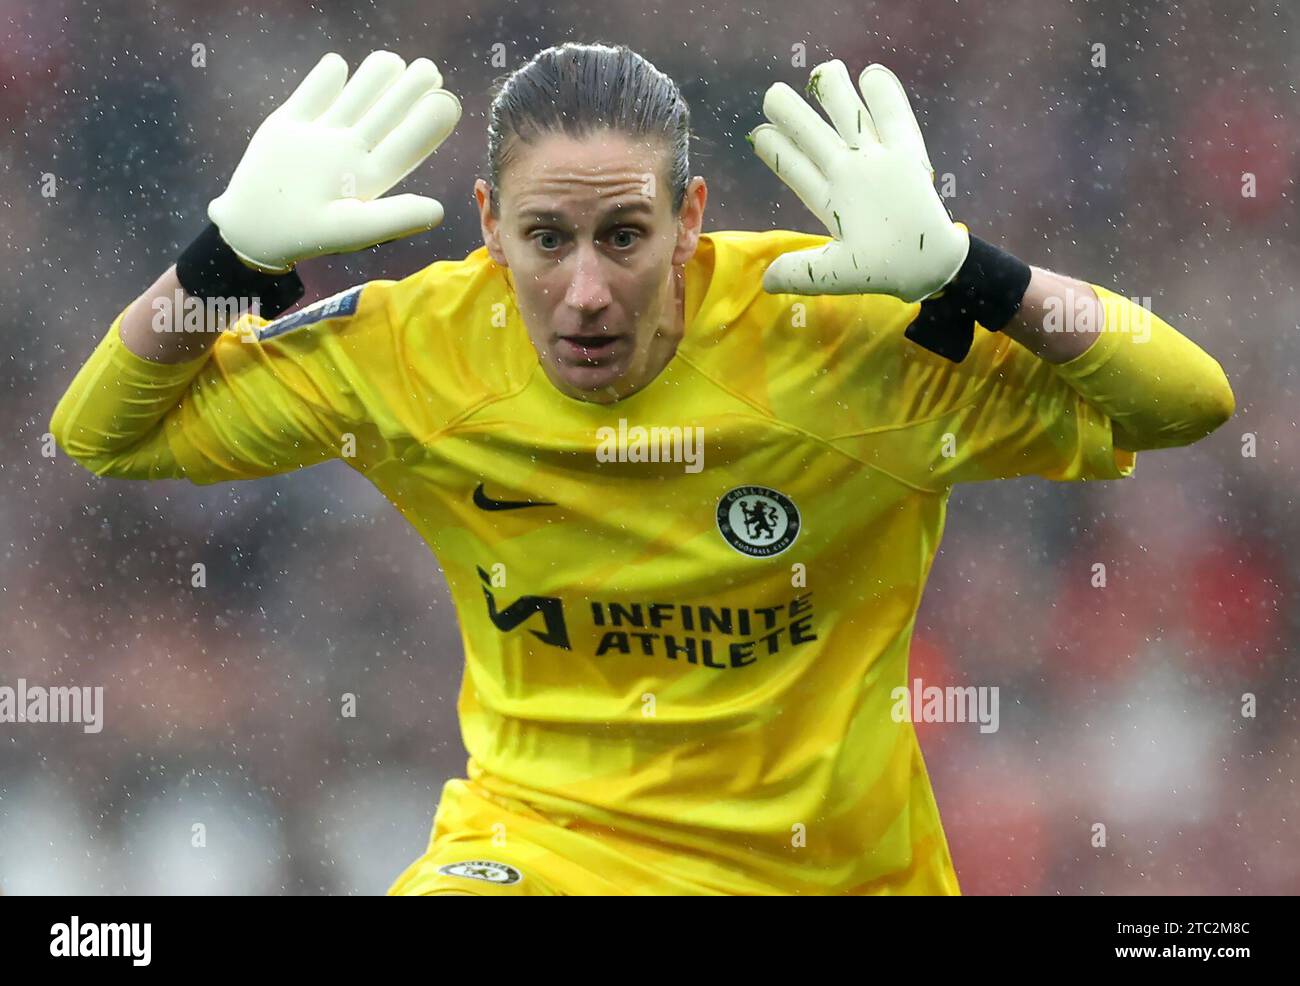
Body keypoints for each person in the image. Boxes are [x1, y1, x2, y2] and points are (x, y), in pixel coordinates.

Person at [50, 42, 1235, 895]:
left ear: (691, 221)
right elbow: (107, 430)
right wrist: (225, 259)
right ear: (487, 225)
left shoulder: (834, 339)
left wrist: (976, 272)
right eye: (544, 239)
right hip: (540, 845)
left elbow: (1185, 400)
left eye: (624, 236)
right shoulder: (413, 349)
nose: (582, 290)